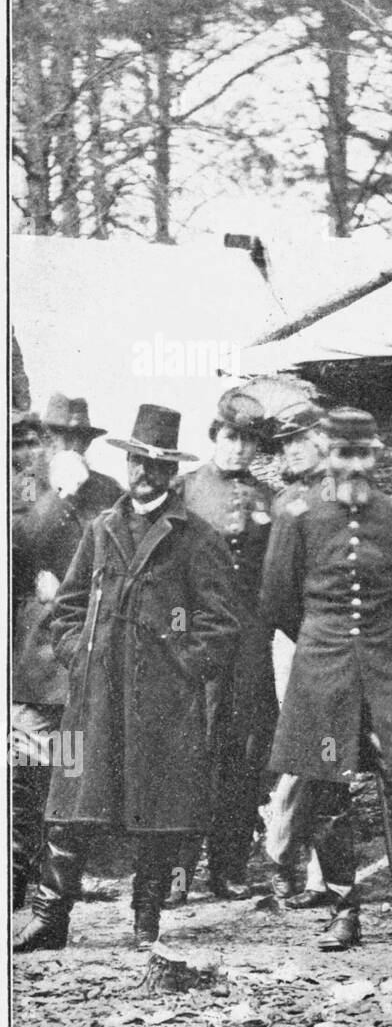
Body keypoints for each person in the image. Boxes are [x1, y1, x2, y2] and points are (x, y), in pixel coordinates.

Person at [15, 406, 240, 952]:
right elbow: (66, 609)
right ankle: (50, 919)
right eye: (138, 461)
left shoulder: (197, 538)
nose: (145, 474)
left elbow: (220, 624)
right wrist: (78, 653)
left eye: (158, 465)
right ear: (129, 462)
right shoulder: (101, 527)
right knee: (70, 809)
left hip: (161, 700)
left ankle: (146, 924)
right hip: (92, 695)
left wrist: (181, 664)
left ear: (170, 473)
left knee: (157, 816)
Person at [260, 407, 392, 953]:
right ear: (327, 452)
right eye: (344, 454)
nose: (354, 465)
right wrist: (326, 639)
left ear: (375, 456)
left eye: (363, 454)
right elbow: (277, 598)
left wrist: (374, 640)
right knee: (328, 788)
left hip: (384, 667)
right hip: (321, 668)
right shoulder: (298, 514)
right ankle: (345, 912)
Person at [10, 397, 123, 907]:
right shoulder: (22, 494)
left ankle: (60, 885)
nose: (69, 447)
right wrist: (56, 501)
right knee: (26, 773)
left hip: (83, 663)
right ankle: (16, 880)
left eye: (79, 440)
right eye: (58, 438)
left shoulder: (110, 494)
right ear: (45, 441)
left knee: (71, 773)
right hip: (37, 666)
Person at [171, 388, 277, 902]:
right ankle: (177, 868)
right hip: (197, 636)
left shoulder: (268, 500)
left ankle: (229, 865)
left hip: (250, 641)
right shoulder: (185, 489)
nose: (238, 449)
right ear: (215, 436)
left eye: (249, 442)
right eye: (231, 437)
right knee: (191, 746)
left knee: (242, 750)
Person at [260, 399, 333, 908]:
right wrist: (309, 637)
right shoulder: (286, 502)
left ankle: (324, 874)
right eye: (284, 443)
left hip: (345, 642)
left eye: (298, 439)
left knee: (336, 754)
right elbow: (276, 593)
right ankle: (284, 857)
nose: (290, 451)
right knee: (302, 752)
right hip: (298, 641)